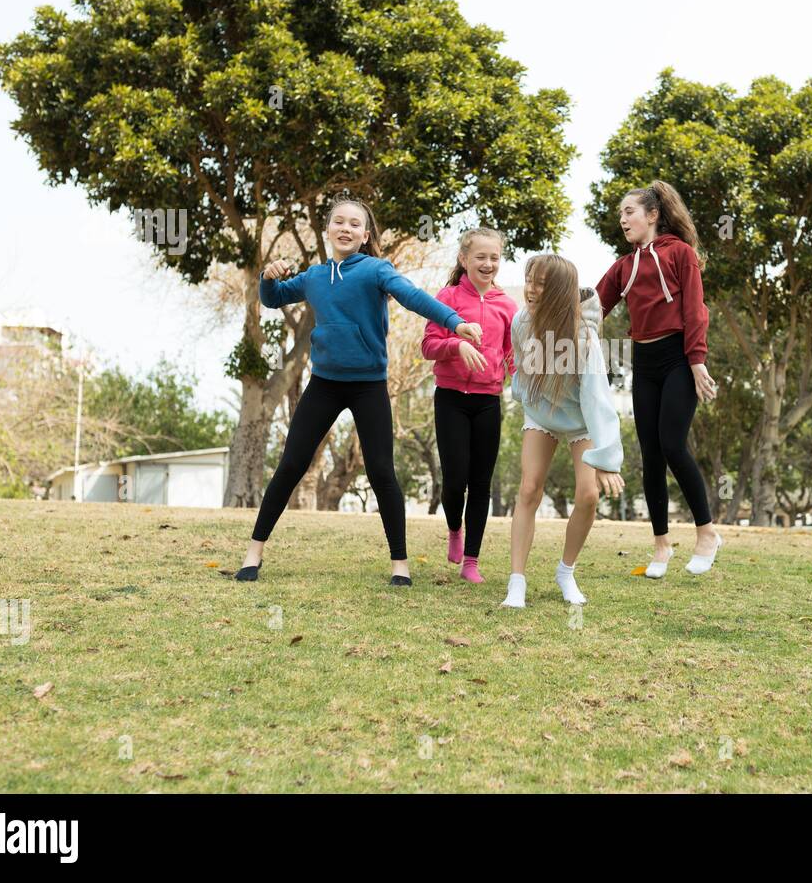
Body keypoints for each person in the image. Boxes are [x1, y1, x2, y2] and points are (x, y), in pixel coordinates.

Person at [235, 196, 483, 586]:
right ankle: (254, 552)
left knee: (382, 470)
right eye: (339, 222)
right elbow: (273, 299)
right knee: (290, 466)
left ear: (365, 235)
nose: (346, 229)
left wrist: (455, 322)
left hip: (368, 385)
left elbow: (413, 297)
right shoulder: (315, 277)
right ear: (328, 229)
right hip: (325, 385)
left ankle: (400, 564)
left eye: (355, 224)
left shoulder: (376, 270)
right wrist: (269, 276)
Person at [595, 180, 721, 578]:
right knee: (650, 455)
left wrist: (697, 360)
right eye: (620, 215)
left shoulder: (681, 254)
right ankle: (661, 545)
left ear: (652, 215)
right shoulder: (623, 266)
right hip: (643, 361)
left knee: (671, 444)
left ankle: (706, 534)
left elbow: (695, 309)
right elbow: (593, 307)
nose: (623, 220)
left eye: (628, 212)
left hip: (678, 359)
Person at [504, 254, 624, 608]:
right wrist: (524, 395)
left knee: (588, 495)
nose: (531, 288)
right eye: (529, 279)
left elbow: (597, 398)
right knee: (529, 488)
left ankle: (566, 571)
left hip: (580, 420)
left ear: (558, 290)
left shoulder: (583, 337)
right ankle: (517, 581)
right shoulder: (521, 321)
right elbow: (521, 366)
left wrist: (606, 456)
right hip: (541, 413)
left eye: (541, 283)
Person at [421, 228, 518, 584]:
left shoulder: (508, 306)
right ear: (464, 260)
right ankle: (453, 529)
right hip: (450, 398)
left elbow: (512, 355)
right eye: (481, 257)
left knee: (481, 483)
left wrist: (522, 384)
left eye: (494, 257)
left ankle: (471, 561)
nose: (488, 264)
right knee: (455, 479)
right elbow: (429, 345)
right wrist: (455, 345)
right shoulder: (446, 297)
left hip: (488, 401)